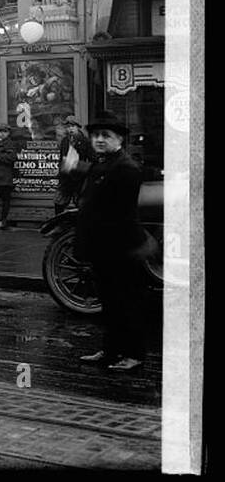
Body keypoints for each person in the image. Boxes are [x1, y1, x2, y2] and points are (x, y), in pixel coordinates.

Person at [74, 113, 149, 372]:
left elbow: (119, 213)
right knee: (109, 303)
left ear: (119, 139)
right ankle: (110, 350)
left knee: (126, 303)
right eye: (95, 135)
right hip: (103, 249)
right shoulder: (103, 164)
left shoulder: (126, 168)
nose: (99, 140)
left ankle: (134, 354)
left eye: (106, 135)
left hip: (121, 248)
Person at [55, 114, 92, 215]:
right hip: (65, 178)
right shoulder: (65, 141)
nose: (70, 129)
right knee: (59, 203)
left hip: (79, 178)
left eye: (72, 126)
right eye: (68, 127)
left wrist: (80, 166)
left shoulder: (85, 142)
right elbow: (61, 157)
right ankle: (59, 224)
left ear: (77, 127)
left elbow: (93, 161)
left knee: (80, 204)